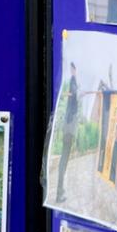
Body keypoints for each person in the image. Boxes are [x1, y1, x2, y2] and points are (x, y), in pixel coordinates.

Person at [53, 60, 80, 192]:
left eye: (72, 69)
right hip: (69, 124)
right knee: (65, 156)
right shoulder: (72, 81)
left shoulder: (73, 81)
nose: (72, 71)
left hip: (69, 124)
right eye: (71, 69)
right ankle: (59, 189)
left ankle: (61, 188)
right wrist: (67, 94)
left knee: (65, 156)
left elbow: (74, 95)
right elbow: (74, 94)